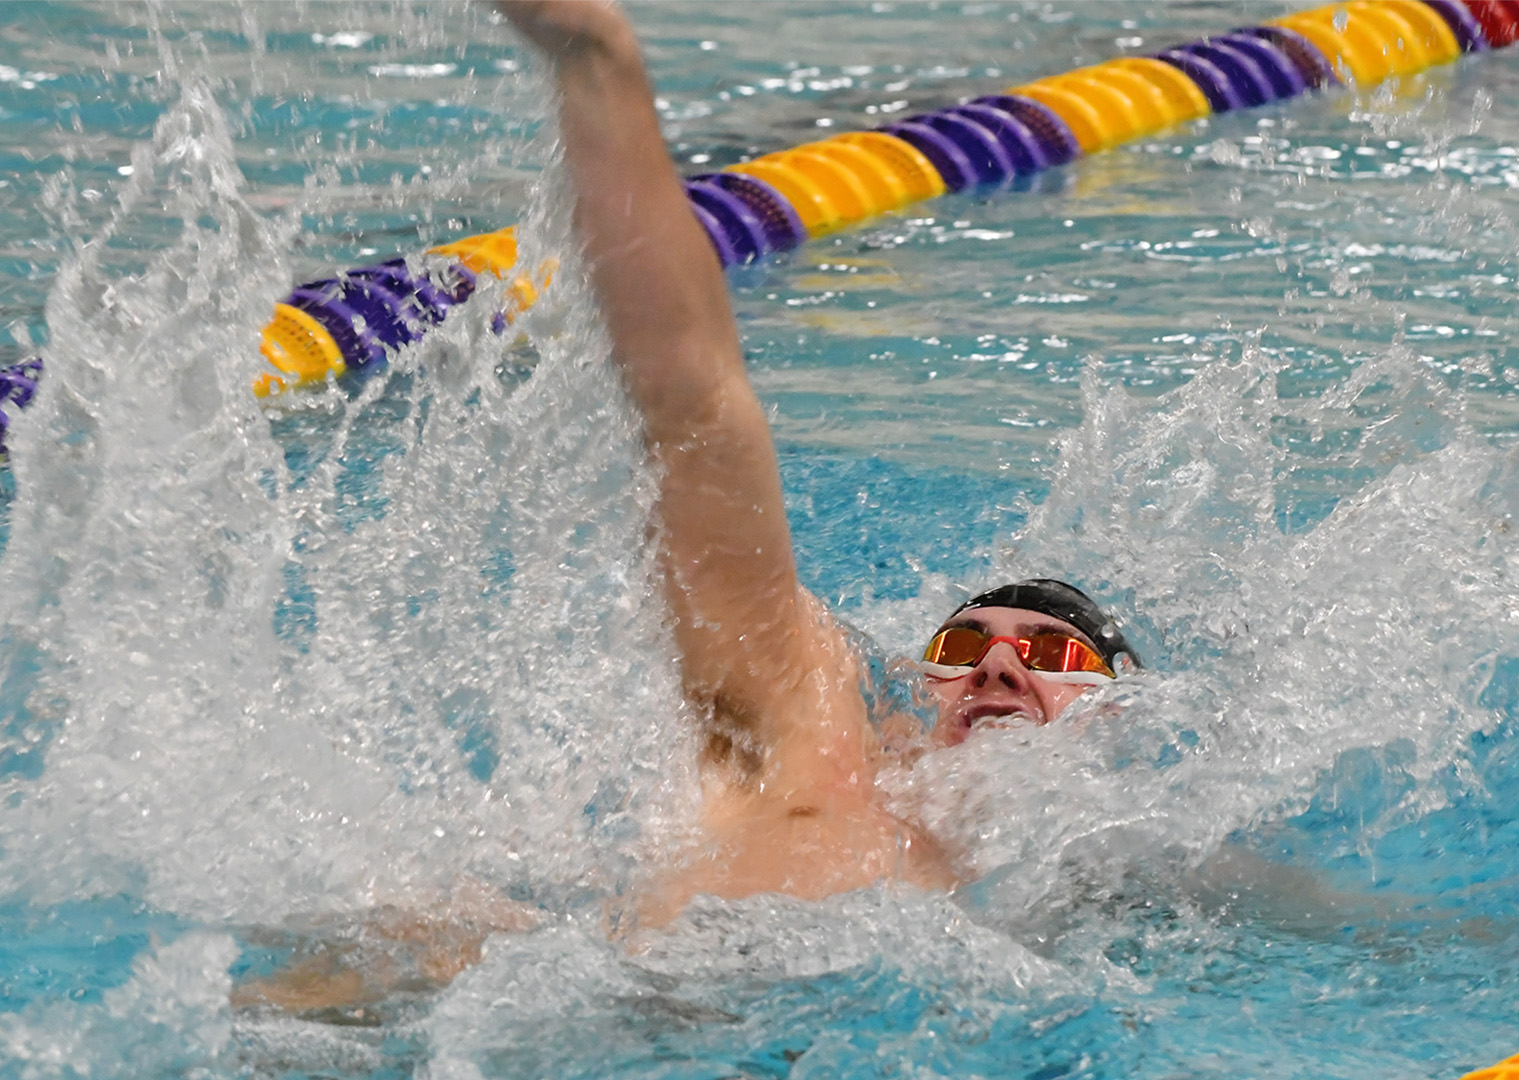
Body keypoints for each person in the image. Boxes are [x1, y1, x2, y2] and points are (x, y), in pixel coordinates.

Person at [233, 0, 1138, 1015]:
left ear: (1121, 723)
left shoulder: (1129, 882)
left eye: (1056, 657)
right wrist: (597, 60)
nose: (1003, 664)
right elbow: (691, 406)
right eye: (964, 649)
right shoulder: (809, 741)